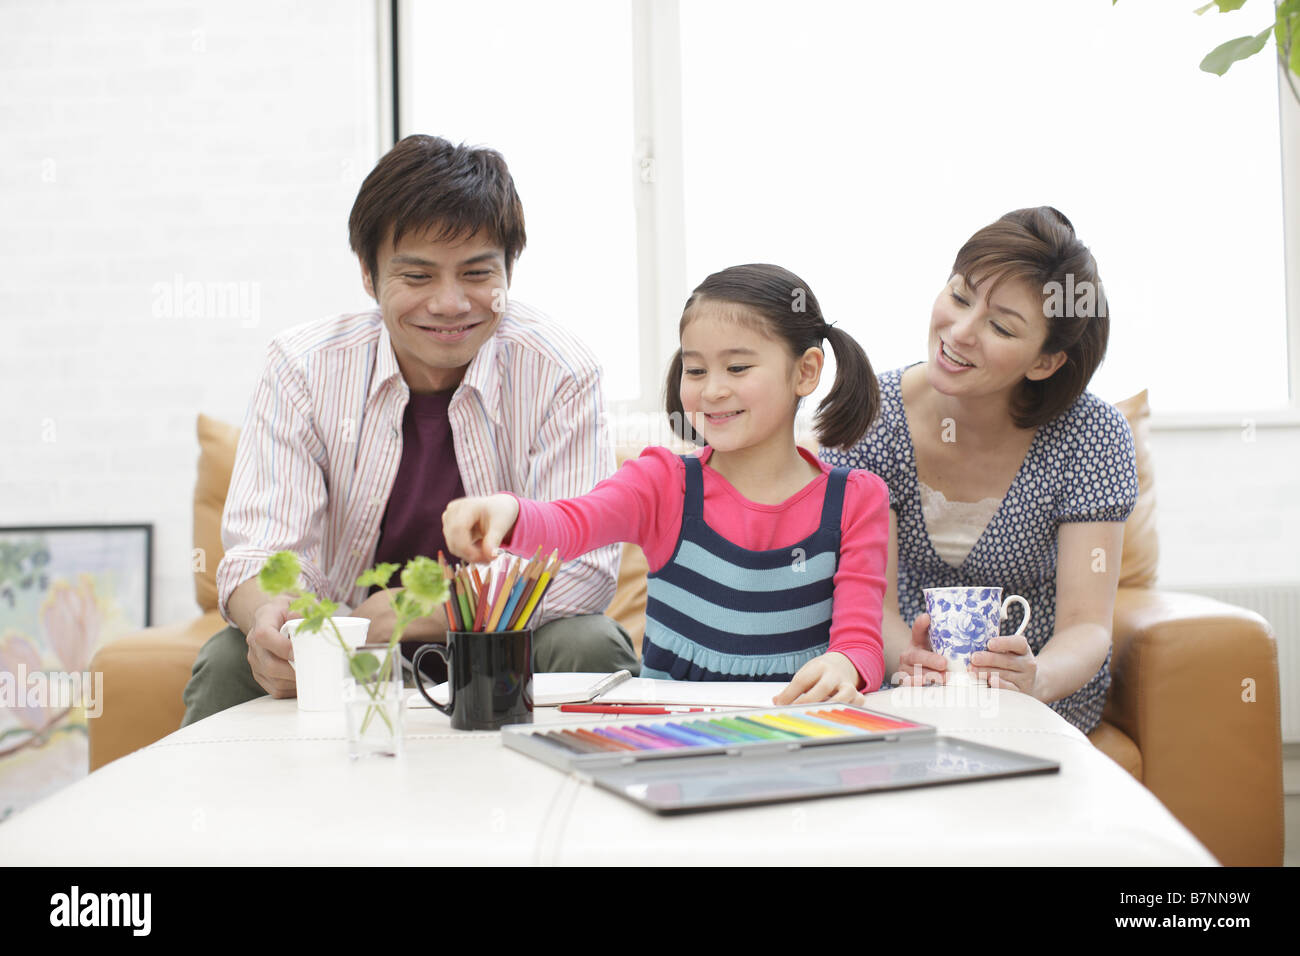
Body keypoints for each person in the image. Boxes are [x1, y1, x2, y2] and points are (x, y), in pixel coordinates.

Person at [181, 135, 638, 726]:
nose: (450, 304)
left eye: (477, 274)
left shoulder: (560, 371)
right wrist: (273, 618)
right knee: (228, 659)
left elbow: (580, 569)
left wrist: (420, 609)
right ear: (370, 278)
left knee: (589, 644)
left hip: (500, 640)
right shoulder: (301, 366)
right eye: (417, 276)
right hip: (345, 641)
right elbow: (263, 553)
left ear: (508, 273)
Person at [442, 264, 890, 705]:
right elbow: (570, 523)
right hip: (675, 741)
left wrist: (843, 666)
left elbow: (861, 642)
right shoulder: (663, 483)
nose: (711, 390)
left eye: (737, 367)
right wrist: (507, 511)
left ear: (806, 372)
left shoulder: (855, 499)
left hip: (798, 735)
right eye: (695, 370)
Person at [820, 207, 1137, 734]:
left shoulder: (1092, 435)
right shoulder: (871, 415)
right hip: (905, 686)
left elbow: (1086, 625)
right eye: (960, 295)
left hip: (1039, 701)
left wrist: (1035, 678)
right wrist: (908, 660)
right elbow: (869, 603)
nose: (960, 332)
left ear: (1044, 362)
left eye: (1000, 327)